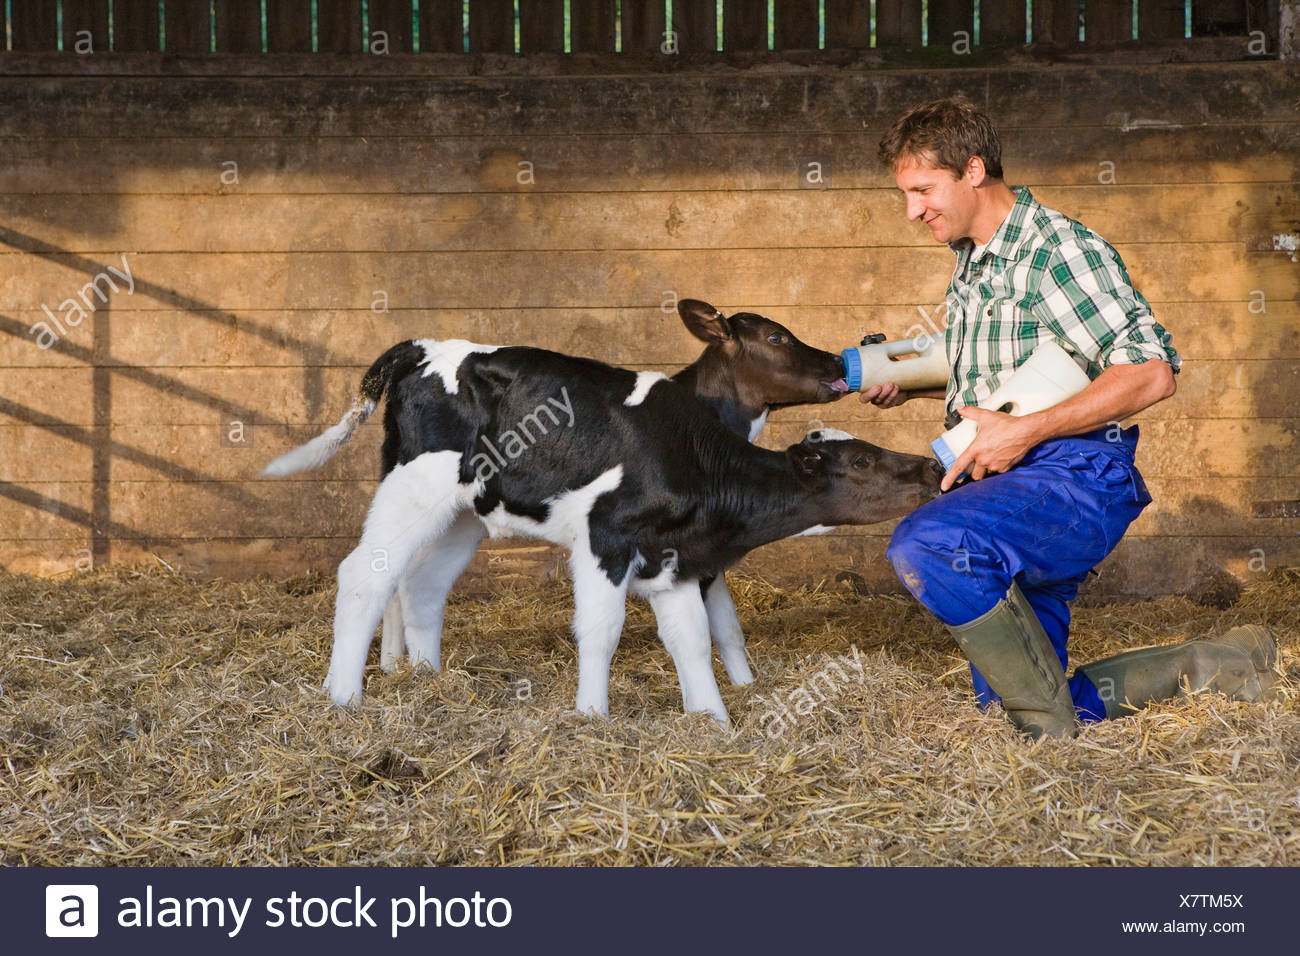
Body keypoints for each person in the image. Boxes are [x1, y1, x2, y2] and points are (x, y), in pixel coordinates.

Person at [863, 97, 1275, 738]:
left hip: (1072, 476)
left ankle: (1048, 724)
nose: (912, 210)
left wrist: (1024, 431)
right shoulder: (975, 261)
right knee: (1018, 712)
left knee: (929, 542)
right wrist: (910, 384)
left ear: (973, 170)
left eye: (922, 190)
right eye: (906, 194)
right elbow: (1016, 377)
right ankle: (1217, 663)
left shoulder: (1056, 250)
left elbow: (1151, 370)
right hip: (1011, 479)